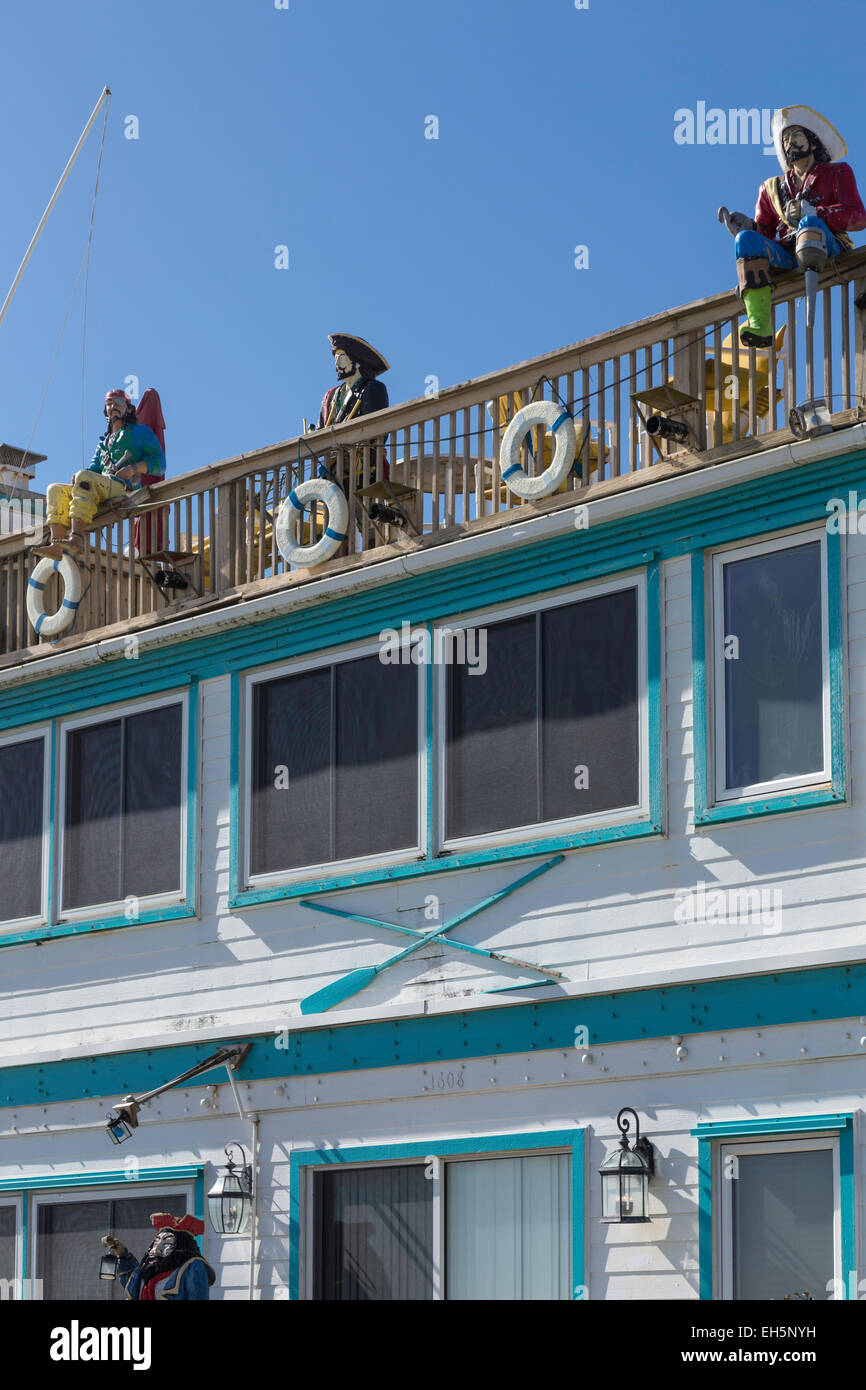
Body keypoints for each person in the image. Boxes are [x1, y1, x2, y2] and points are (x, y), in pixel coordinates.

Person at [720, 106, 866, 348]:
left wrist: (817, 213)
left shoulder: (837, 172)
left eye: (796, 136)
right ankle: (760, 323)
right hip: (788, 252)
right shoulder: (771, 188)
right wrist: (746, 228)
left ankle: (810, 303)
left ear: (812, 140)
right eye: (785, 140)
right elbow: (765, 235)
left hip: (828, 246)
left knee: (809, 224)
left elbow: (859, 216)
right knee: (745, 240)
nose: (790, 144)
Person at [35, 389, 166, 559]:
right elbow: (93, 469)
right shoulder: (103, 443)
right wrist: (80, 475)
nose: (113, 406)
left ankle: (76, 539)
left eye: (118, 402)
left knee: (84, 477)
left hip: (124, 487)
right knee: (55, 489)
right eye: (109, 403)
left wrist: (134, 469)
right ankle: (56, 544)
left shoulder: (141, 432)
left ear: (128, 408)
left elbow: (160, 463)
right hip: (102, 487)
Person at [101, 1212, 215, 1301]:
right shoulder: (149, 1269)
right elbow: (132, 1283)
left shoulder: (193, 1267)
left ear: (181, 1246)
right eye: (156, 1242)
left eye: (166, 1243)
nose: (157, 1248)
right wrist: (122, 1254)